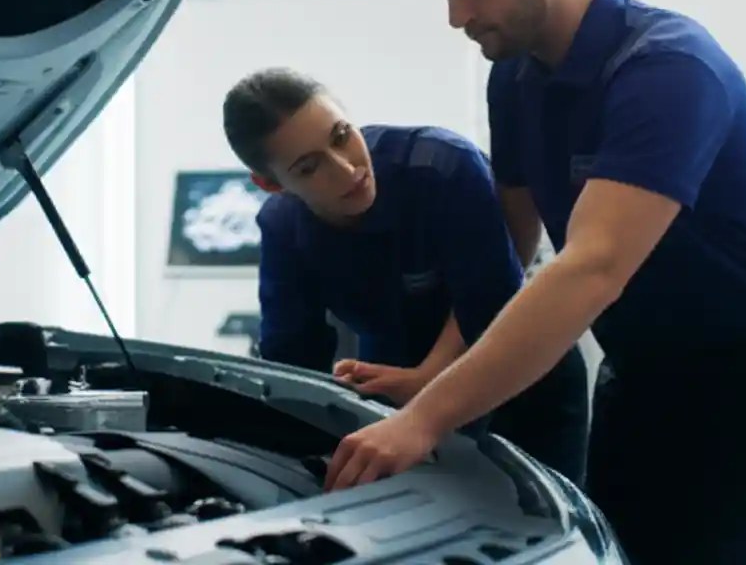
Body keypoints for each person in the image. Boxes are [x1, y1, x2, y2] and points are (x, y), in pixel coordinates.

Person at [322, 0, 746, 565]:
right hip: (634, 380)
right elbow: (503, 252)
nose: (455, 16)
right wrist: (433, 374)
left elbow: (589, 268)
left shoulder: (667, 67)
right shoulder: (512, 79)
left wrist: (424, 420)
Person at [222, 67, 590, 485]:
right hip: (396, 382)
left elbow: (489, 302)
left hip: (523, 373)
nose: (347, 170)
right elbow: (292, 361)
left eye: (342, 135)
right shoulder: (283, 229)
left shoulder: (442, 166)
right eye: (309, 168)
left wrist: (427, 381)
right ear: (272, 185)